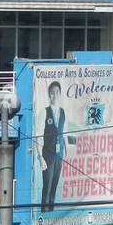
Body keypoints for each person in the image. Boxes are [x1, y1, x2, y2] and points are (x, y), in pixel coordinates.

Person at [41, 81, 65, 212]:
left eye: (57, 93)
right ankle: (43, 217)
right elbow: (38, 136)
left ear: (60, 94)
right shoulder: (45, 112)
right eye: (52, 93)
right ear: (49, 95)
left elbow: (64, 134)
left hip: (59, 156)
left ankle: (51, 215)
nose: (55, 95)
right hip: (48, 156)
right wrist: (40, 158)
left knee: (54, 189)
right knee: (47, 188)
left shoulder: (62, 112)